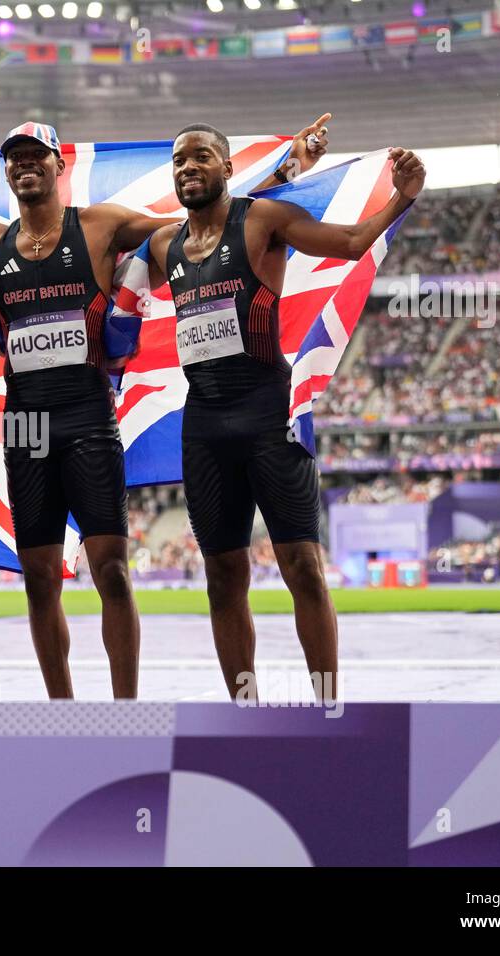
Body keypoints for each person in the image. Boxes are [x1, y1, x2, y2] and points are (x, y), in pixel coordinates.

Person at [0, 119, 330, 699]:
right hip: (26, 425)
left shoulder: (101, 225)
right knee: (40, 581)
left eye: (36, 155)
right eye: (15, 158)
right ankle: (62, 708)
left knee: (111, 570)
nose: (26, 165)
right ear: (7, 171)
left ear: (58, 164)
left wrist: (288, 170)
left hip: (89, 416)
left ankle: (125, 707)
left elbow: (200, 226)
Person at [144, 124, 425, 703]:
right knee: (223, 577)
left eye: (202, 156)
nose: (187, 167)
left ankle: (327, 705)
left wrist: (402, 197)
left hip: (269, 414)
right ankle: (244, 709)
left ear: (226, 167)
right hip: (203, 426)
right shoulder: (162, 244)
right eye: (179, 159)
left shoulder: (262, 222)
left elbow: (348, 243)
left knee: (302, 565)